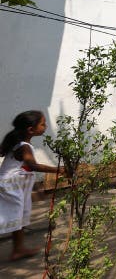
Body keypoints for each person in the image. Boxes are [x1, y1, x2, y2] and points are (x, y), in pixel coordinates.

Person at [0, 111, 62, 261]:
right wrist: (59, 170)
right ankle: (18, 249)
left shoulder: (17, 142)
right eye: (43, 124)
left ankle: (18, 250)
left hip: (13, 186)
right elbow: (32, 165)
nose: (46, 126)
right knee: (9, 215)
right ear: (31, 130)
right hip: (11, 187)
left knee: (17, 216)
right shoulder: (24, 146)